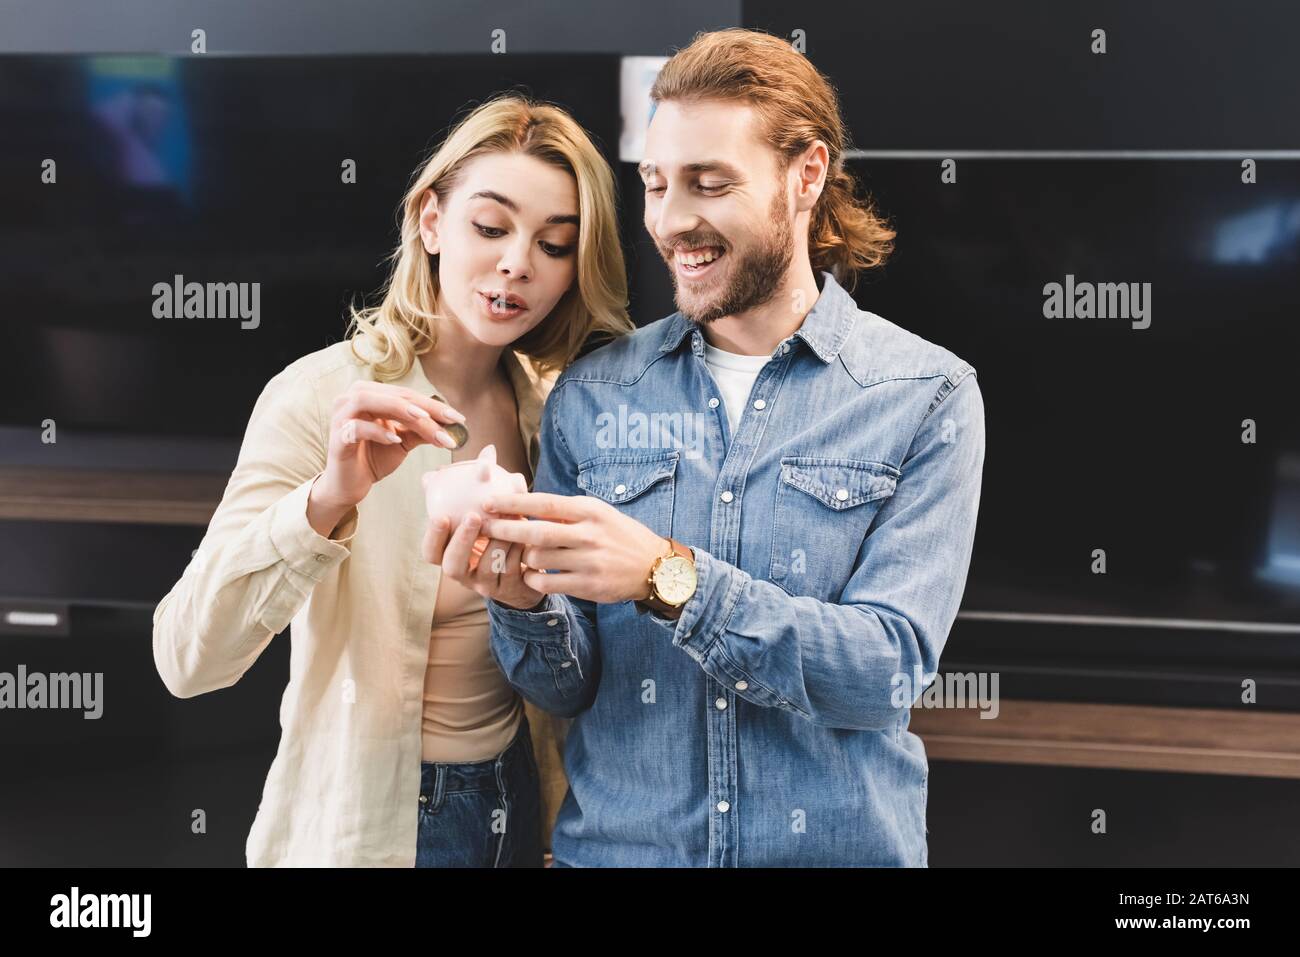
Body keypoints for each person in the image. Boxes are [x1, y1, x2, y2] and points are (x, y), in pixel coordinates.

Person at [437, 29, 986, 866]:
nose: (670, 220)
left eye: (709, 183)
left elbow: (885, 670)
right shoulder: (593, 396)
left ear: (806, 175)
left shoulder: (925, 396)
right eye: (655, 185)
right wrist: (517, 601)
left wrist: (669, 577)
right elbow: (565, 684)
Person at [152, 93, 633, 866]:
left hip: (519, 807)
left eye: (554, 244)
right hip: (378, 821)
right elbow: (186, 658)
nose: (517, 262)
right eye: (490, 226)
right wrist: (329, 499)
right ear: (430, 220)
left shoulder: (559, 412)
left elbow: (568, 668)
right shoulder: (320, 398)